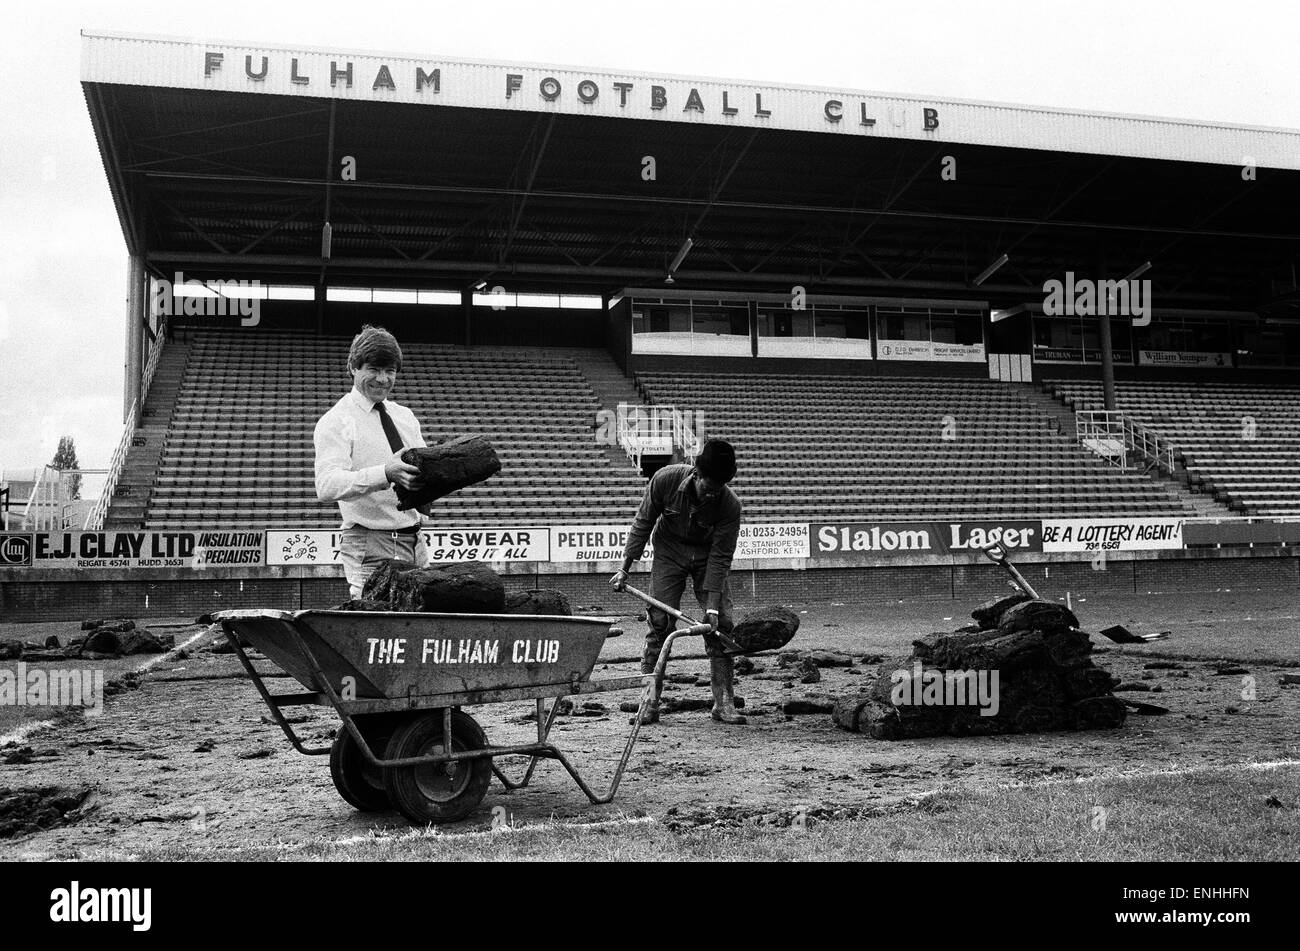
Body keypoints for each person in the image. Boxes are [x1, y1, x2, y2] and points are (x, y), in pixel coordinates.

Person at [610, 438, 746, 725]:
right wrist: (625, 568)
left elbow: (721, 558)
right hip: (669, 551)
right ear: (696, 474)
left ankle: (724, 703)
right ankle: (649, 701)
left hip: (707, 556)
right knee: (659, 622)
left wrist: (711, 609)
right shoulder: (665, 480)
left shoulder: (730, 505)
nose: (712, 495)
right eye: (708, 488)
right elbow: (643, 522)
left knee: (722, 623)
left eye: (718, 489)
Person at [314, 325, 434, 599]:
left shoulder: (405, 417)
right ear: (353, 368)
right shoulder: (337, 420)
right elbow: (326, 485)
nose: (383, 379)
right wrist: (385, 473)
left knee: (421, 624)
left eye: (390, 371)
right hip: (369, 541)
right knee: (376, 628)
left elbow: (424, 472)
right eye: (374, 369)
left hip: (414, 538)